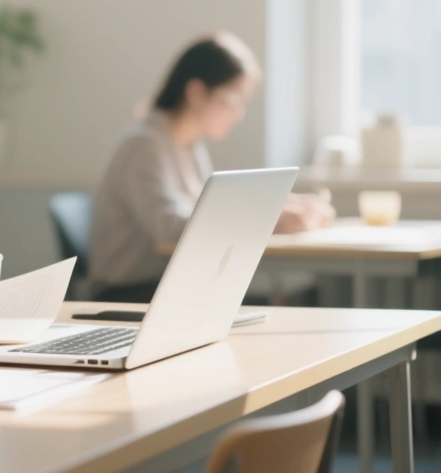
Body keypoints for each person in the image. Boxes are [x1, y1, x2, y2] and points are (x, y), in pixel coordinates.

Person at [87, 32, 334, 303]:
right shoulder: (143, 146)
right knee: (288, 303)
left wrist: (285, 206)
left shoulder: (188, 146)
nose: (239, 114)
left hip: (172, 288)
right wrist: (270, 219)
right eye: (233, 100)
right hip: (130, 294)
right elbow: (172, 230)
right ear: (196, 92)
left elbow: (208, 209)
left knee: (295, 297)